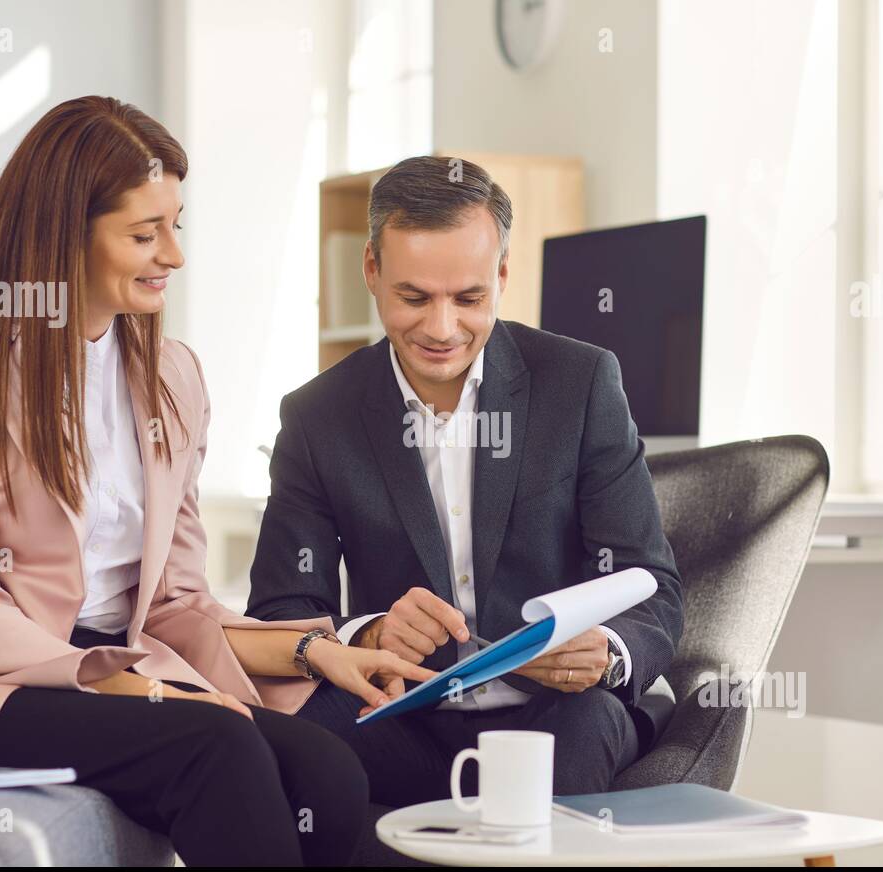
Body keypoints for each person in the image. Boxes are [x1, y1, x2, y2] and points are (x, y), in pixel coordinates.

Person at [0, 96, 431, 867]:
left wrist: (317, 652)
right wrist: (136, 691)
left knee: (327, 770)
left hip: (111, 664)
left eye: (175, 226)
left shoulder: (170, 376)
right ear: (65, 234)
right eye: (144, 234)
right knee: (216, 745)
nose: (174, 256)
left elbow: (178, 604)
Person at [246, 156, 684, 808]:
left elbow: (652, 585)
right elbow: (280, 613)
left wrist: (609, 651)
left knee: (583, 727)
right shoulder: (317, 417)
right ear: (372, 269)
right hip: (402, 714)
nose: (442, 328)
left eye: (469, 298)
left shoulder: (581, 384)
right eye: (414, 297)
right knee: (291, 751)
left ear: (503, 274)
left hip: (556, 714)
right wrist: (368, 635)